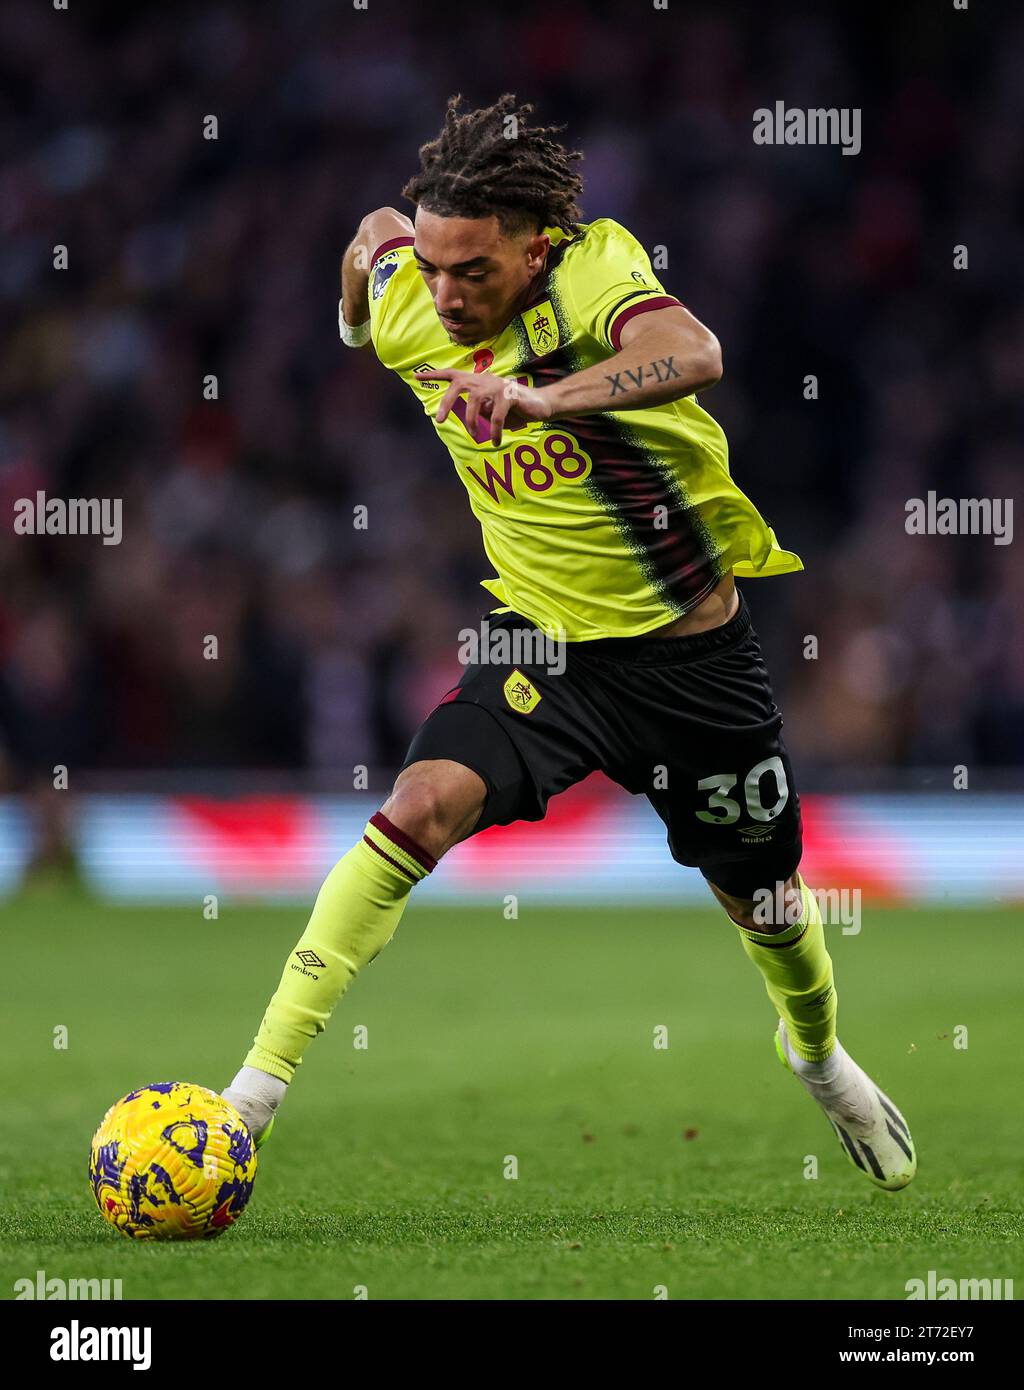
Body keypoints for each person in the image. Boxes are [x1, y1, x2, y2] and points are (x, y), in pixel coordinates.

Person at [224, 95, 915, 1191]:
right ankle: (247, 1100)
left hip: (693, 662)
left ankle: (818, 1053)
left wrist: (540, 399)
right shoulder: (416, 295)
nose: (448, 295)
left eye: (475, 273)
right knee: (418, 808)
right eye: (436, 266)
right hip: (545, 647)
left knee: (770, 905)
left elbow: (692, 349)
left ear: (534, 248)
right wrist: (359, 297)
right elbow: (371, 238)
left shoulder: (594, 269)